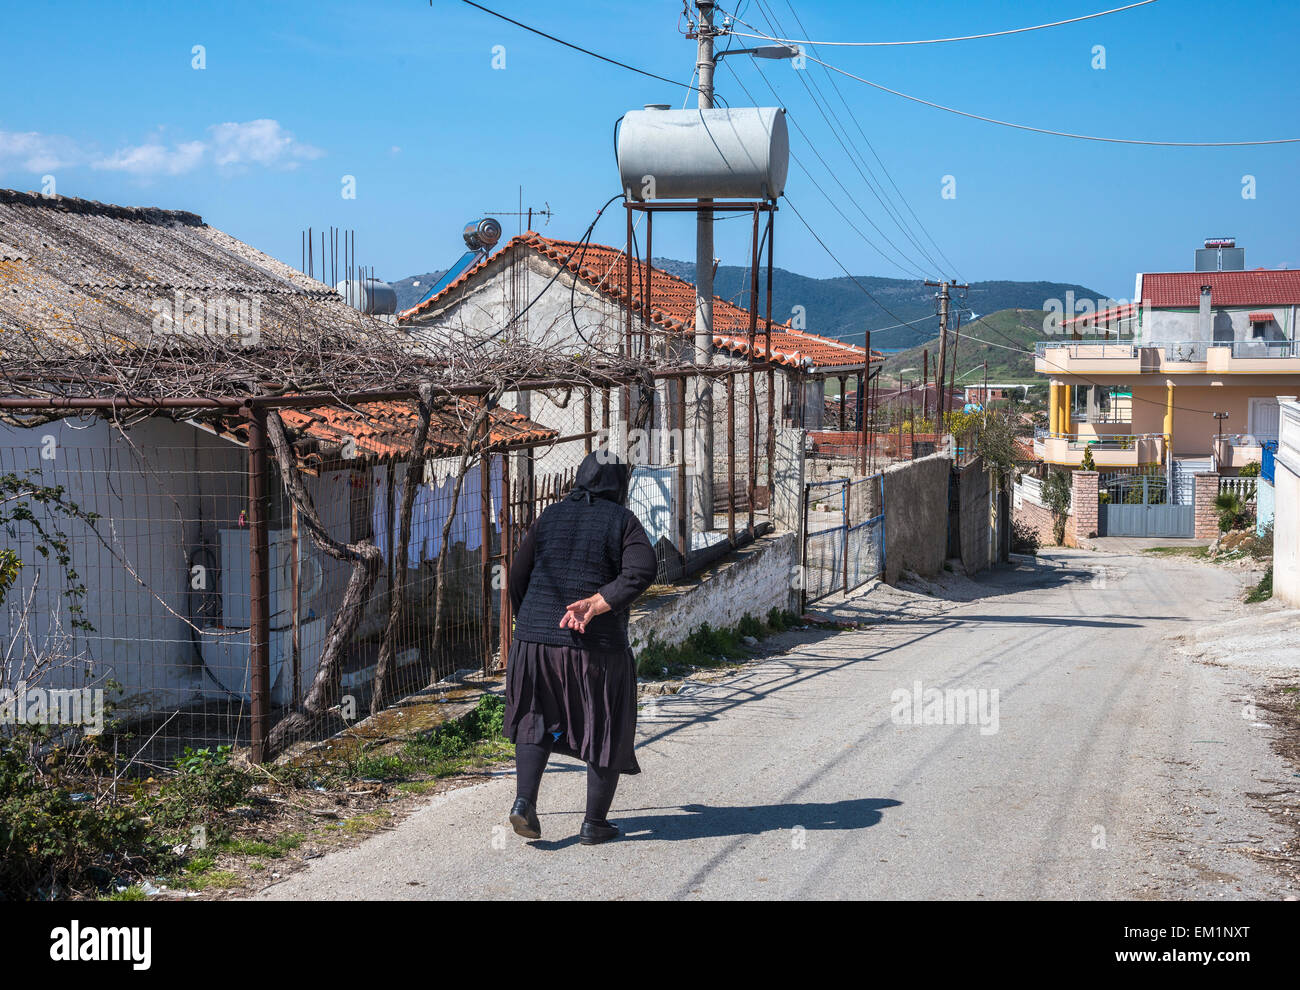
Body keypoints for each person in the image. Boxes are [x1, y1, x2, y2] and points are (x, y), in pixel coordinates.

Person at [504, 450, 657, 845]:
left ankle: (524, 802)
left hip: (534, 641)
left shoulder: (549, 517)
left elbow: (517, 576)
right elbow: (641, 569)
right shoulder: (623, 521)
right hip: (597, 648)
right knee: (604, 724)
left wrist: (535, 625)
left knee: (533, 719)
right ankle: (593, 823)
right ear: (618, 485)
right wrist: (599, 603)